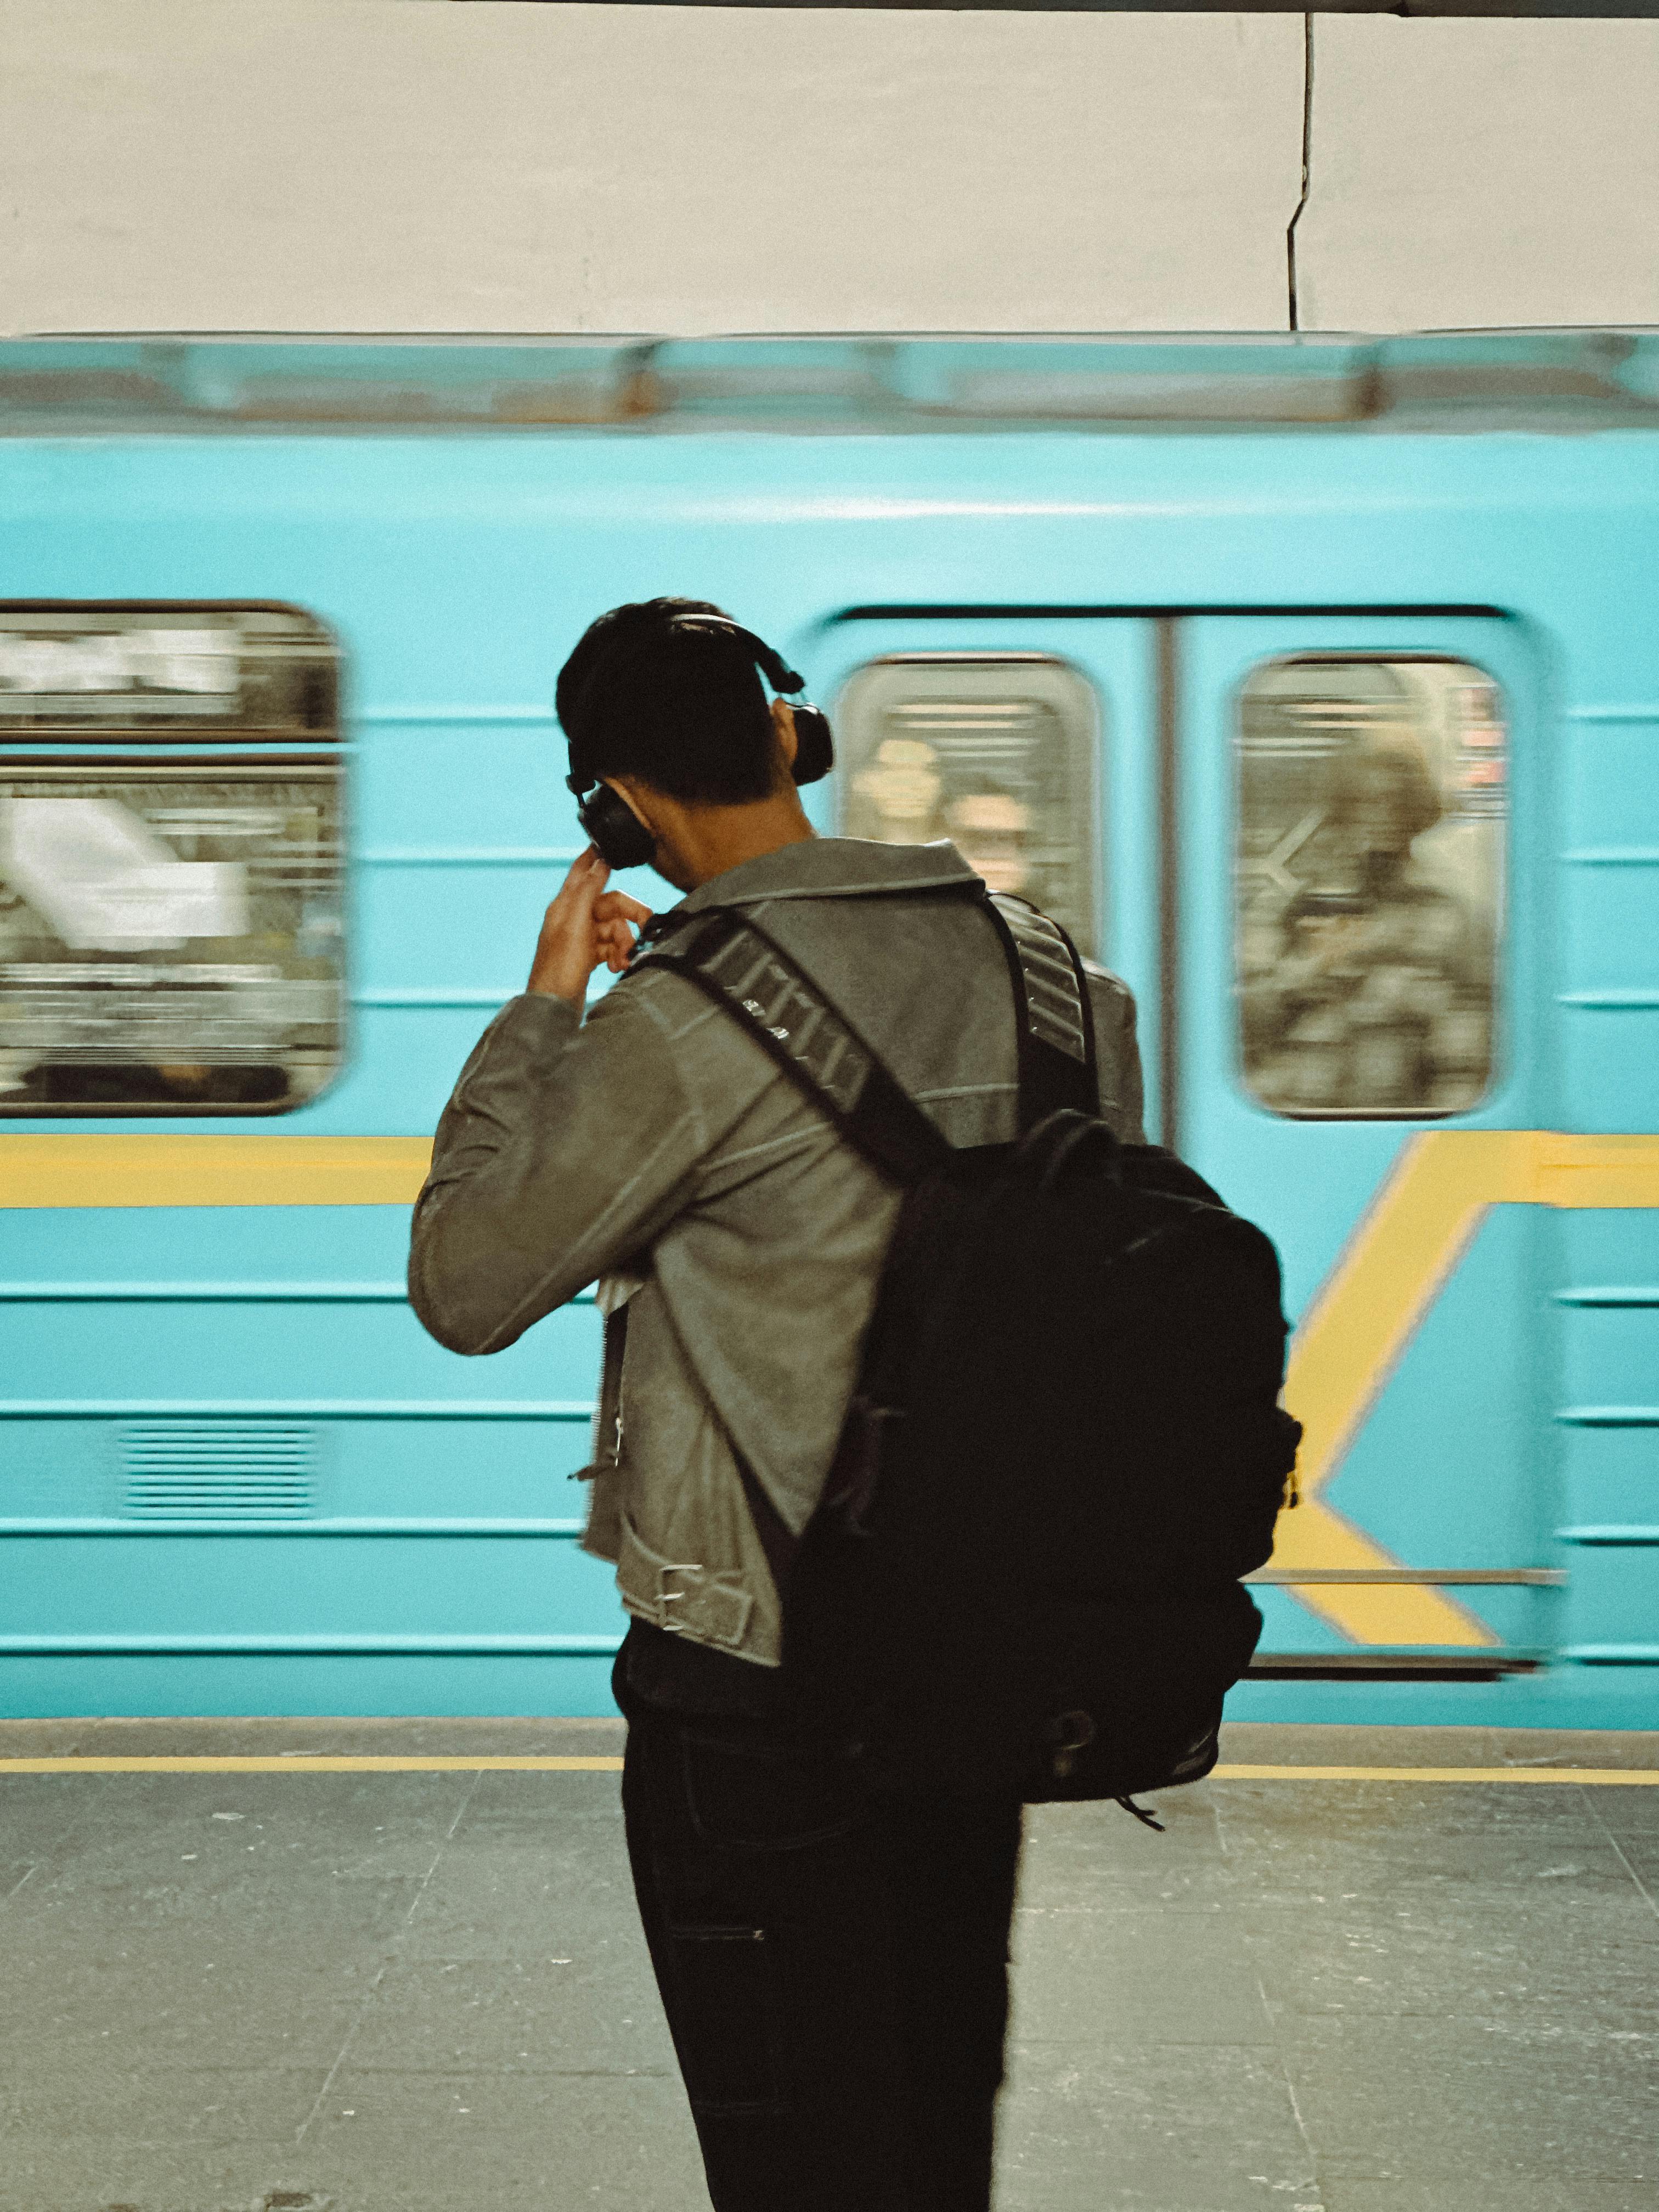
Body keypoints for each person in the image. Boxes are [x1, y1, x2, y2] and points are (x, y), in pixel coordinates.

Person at [407, 597, 1147, 2212]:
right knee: (940, 2116)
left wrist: (542, 1018)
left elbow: (467, 1281)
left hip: (757, 1683)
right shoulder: (1063, 984)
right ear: (792, 740)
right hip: (978, 1662)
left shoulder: (677, 1022)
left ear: (616, 804)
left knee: (795, 2150)